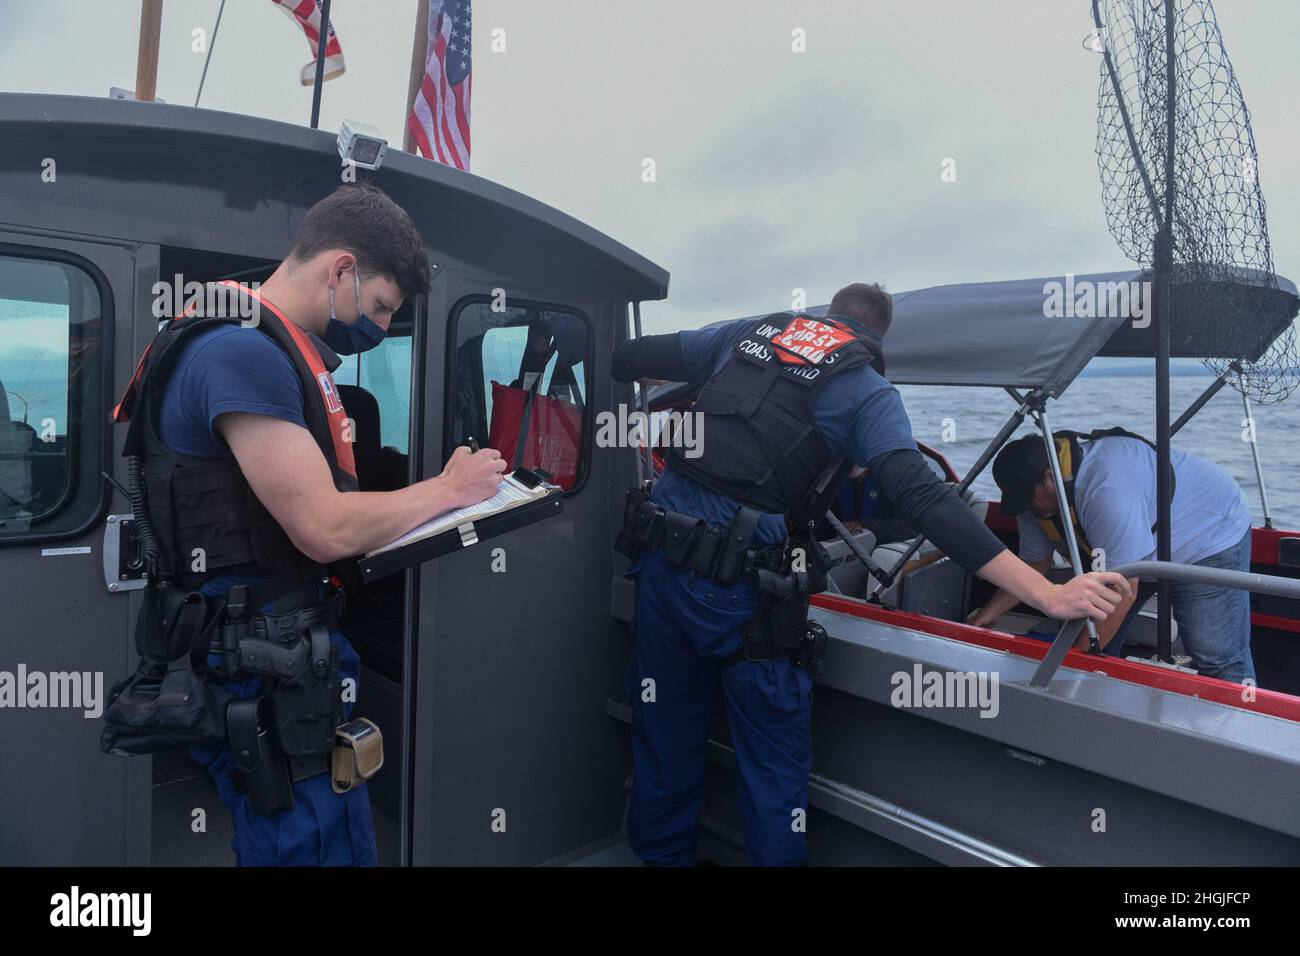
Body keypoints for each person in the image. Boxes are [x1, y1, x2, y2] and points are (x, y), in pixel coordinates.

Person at [610, 283, 1130, 866]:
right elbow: (924, 497)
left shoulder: (745, 335)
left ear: (830, 313)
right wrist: (1048, 593)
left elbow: (628, 359)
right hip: (742, 596)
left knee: (663, 738)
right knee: (774, 771)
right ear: (880, 335)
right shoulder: (866, 390)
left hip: (660, 563)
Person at [114, 183, 506, 865]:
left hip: (272, 655)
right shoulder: (243, 353)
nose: (380, 328)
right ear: (341, 270)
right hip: (264, 670)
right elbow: (323, 528)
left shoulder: (242, 338)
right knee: (308, 847)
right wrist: (450, 488)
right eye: (381, 306)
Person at [973, 429, 1255, 683]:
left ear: (1050, 476)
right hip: (1135, 548)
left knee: (1214, 654)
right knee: (1095, 638)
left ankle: (1241, 725)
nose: (1030, 508)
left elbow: (1124, 590)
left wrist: (1069, 663)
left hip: (1209, 532)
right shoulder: (1034, 502)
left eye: (1029, 497)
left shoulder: (1106, 489)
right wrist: (990, 613)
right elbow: (1033, 566)